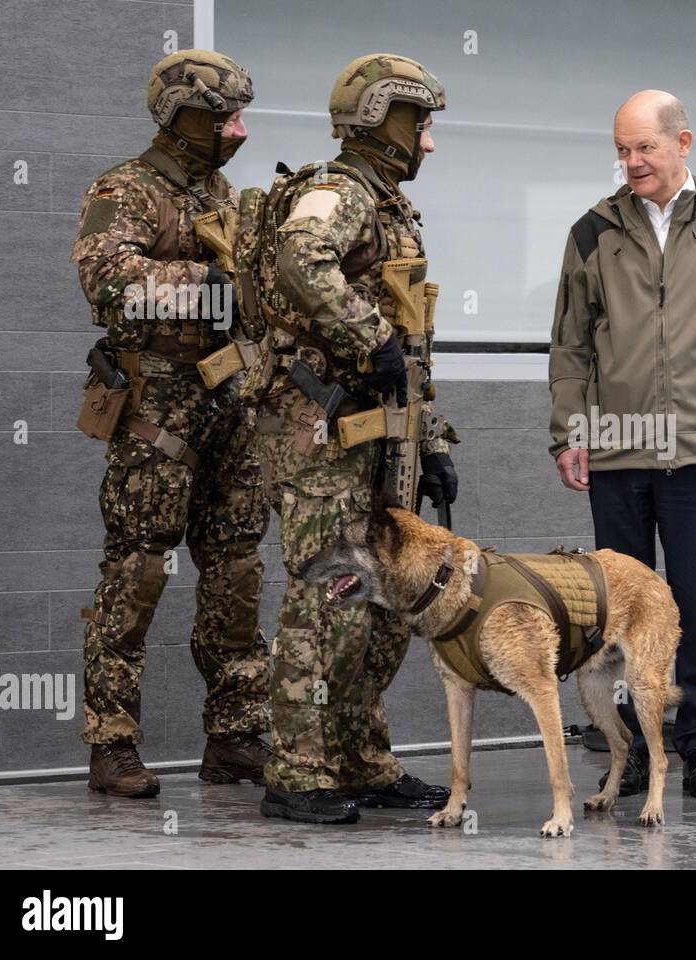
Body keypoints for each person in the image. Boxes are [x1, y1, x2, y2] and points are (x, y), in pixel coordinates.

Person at [549, 90, 696, 799]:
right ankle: (626, 753)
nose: (631, 163)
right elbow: (568, 344)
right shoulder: (592, 230)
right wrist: (569, 432)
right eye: (622, 151)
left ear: (683, 142)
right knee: (616, 615)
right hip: (617, 449)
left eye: (644, 148)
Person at [250, 54, 457, 824]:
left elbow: (407, 343)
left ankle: (358, 758)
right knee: (327, 598)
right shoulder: (334, 192)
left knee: (377, 600)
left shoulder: (387, 203)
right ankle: (300, 774)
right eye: (422, 124)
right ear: (383, 117)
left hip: (379, 435)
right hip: (319, 435)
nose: (428, 143)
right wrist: (368, 337)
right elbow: (299, 260)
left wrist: (429, 439)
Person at [72, 49, 271, 798]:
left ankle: (236, 736)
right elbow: (110, 282)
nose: (240, 131)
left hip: (228, 408)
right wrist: (209, 283)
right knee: (136, 572)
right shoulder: (127, 188)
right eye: (227, 118)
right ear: (185, 115)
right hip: (157, 415)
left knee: (236, 573)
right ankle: (112, 744)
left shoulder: (223, 194)